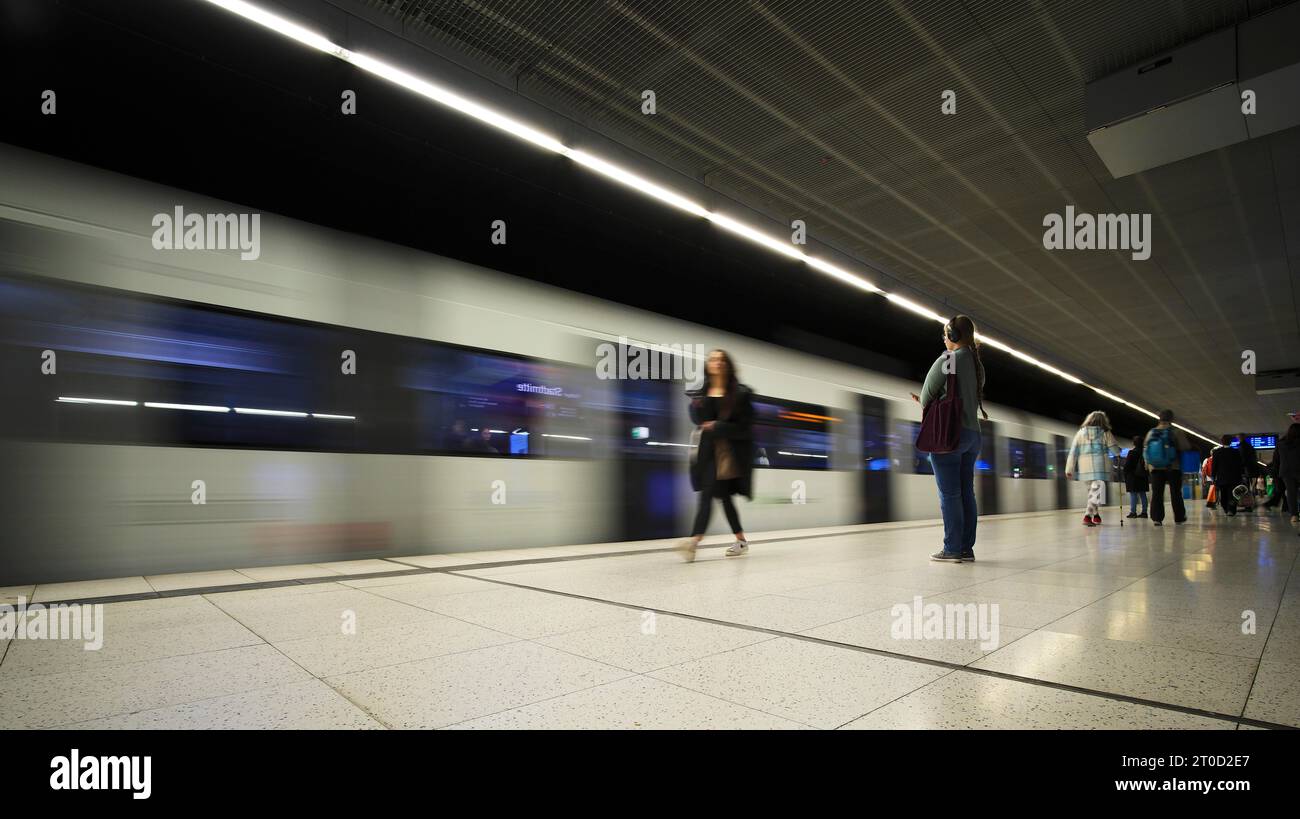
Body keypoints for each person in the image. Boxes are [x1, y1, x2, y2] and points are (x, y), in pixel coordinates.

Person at [910, 314, 988, 563]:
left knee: (950, 494)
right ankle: (966, 548)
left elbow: (926, 397)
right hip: (972, 434)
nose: (944, 338)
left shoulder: (949, 359)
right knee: (967, 492)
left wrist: (925, 402)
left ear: (953, 336)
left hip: (948, 433)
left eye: (945, 334)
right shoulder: (978, 365)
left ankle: (952, 547)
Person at [677, 349, 755, 562]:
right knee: (721, 497)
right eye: (713, 359)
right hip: (708, 453)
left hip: (730, 454)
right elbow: (698, 421)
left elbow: (745, 428)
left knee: (709, 494)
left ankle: (693, 542)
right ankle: (740, 541)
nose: (717, 362)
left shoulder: (740, 393)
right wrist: (695, 407)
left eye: (721, 359)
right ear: (708, 365)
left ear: (727, 365)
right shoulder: (701, 393)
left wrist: (719, 426)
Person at [1065, 411, 1122, 526]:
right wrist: (1118, 452)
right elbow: (1115, 450)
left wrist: (1069, 469)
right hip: (1100, 467)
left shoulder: (1080, 433)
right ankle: (1087, 516)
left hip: (1085, 468)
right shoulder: (1105, 432)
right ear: (1103, 421)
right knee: (1096, 493)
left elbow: (1073, 452)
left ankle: (1096, 516)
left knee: (1093, 493)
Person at [1143, 410, 1194, 526]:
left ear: (1159, 418)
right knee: (1175, 493)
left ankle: (1157, 518)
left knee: (1157, 494)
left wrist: (1148, 465)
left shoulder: (1151, 432)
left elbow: (1145, 449)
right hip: (1173, 467)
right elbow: (1185, 446)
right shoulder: (1176, 431)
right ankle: (1179, 517)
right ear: (1172, 419)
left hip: (1155, 468)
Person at [1210, 434, 1246, 516]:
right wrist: (1242, 475)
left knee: (1224, 494)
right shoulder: (1236, 452)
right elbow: (1240, 465)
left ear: (1221, 442)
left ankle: (1226, 509)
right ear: (1231, 442)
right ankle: (1231, 510)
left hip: (1222, 478)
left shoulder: (1217, 452)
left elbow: (1214, 466)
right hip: (1234, 478)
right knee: (1233, 494)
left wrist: (1213, 476)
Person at [1275, 423, 1300, 525]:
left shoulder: (1281, 443)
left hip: (1286, 472)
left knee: (1291, 493)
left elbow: (1276, 460)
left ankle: (1294, 515)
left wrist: (1277, 473)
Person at [1123, 434, 1149, 518]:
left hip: (1133, 477)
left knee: (1133, 494)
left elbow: (1127, 466)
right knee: (1143, 494)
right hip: (1143, 476)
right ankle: (1144, 512)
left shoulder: (1132, 452)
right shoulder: (1145, 452)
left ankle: (1133, 512)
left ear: (1134, 443)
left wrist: (1125, 474)